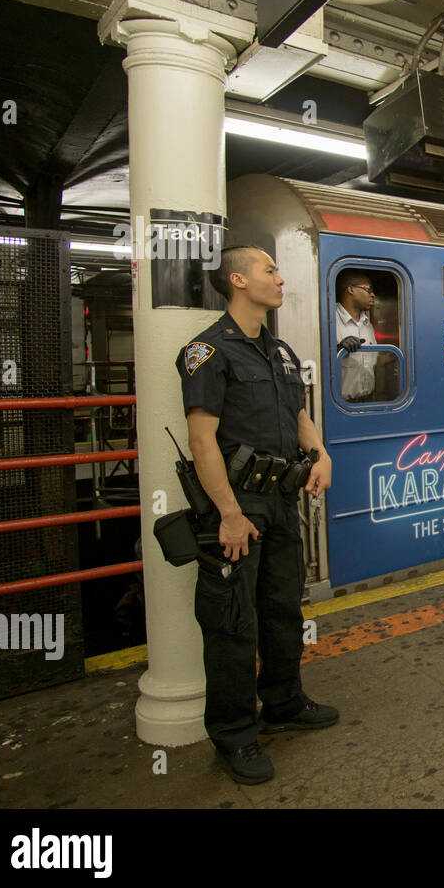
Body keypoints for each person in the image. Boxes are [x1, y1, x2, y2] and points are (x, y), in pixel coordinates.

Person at [176, 244, 338, 785]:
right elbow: (202, 442)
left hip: (280, 503)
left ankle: (284, 704)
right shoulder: (207, 352)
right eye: (270, 269)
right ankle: (235, 736)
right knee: (232, 625)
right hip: (236, 508)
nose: (280, 277)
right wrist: (227, 514)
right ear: (239, 280)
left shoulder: (281, 353)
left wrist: (319, 454)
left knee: (281, 608)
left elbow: (298, 414)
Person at [335, 269, 378, 402]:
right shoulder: (330, 320)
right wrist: (338, 348)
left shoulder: (367, 324)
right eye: (368, 289)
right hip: (342, 405)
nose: (373, 295)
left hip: (368, 401)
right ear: (351, 289)